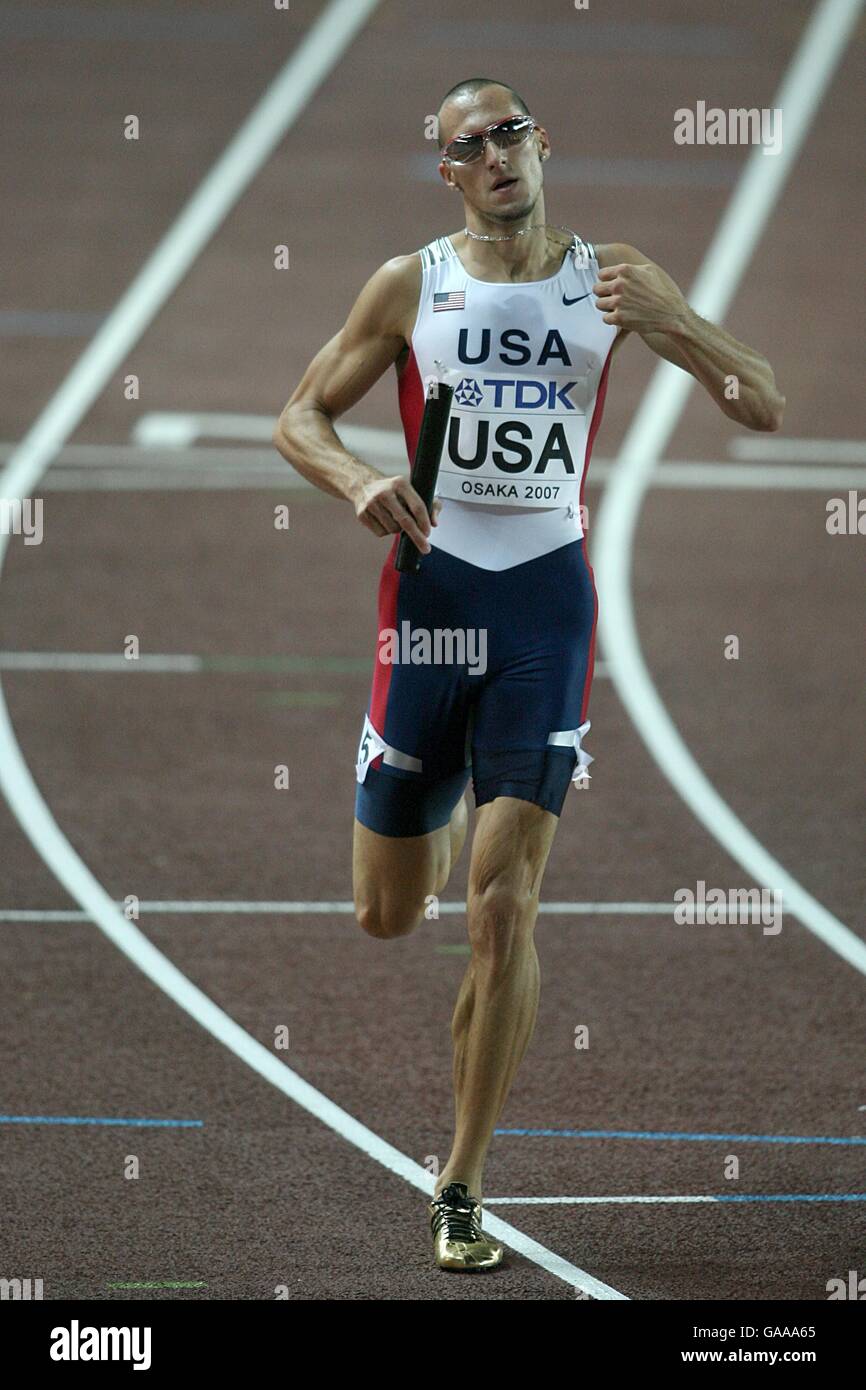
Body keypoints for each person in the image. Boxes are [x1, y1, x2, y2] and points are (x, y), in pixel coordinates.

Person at [272, 77, 785, 1272]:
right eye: (469, 145)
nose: (496, 155)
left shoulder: (609, 280)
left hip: (546, 612)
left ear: (543, 144)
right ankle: (434, 789)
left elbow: (759, 400)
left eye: (510, 133)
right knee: (387, 910)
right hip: (431, 605)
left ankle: (460, 1178)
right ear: (447, 172)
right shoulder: (412, 284)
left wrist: (680, 320)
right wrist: (353, 480)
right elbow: (297, 417)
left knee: (503, 905)